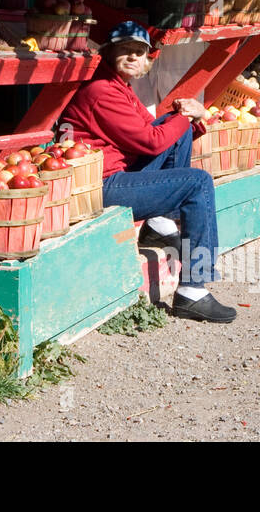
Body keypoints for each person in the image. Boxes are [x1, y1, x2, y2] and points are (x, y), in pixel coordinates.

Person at [59, 21, 236, 323]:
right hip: (100, 186)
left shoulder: (118, 87)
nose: (133, 57)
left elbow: (155, 132)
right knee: (198, 183)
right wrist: (186, 116)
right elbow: (150, 142)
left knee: (174, 128)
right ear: (108, 53)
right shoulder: (101, 91)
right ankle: (192, 291)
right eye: (124, 50)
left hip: (117, 174)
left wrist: (193, 122)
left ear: (148, 60)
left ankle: (159, 224)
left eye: (140, 52)